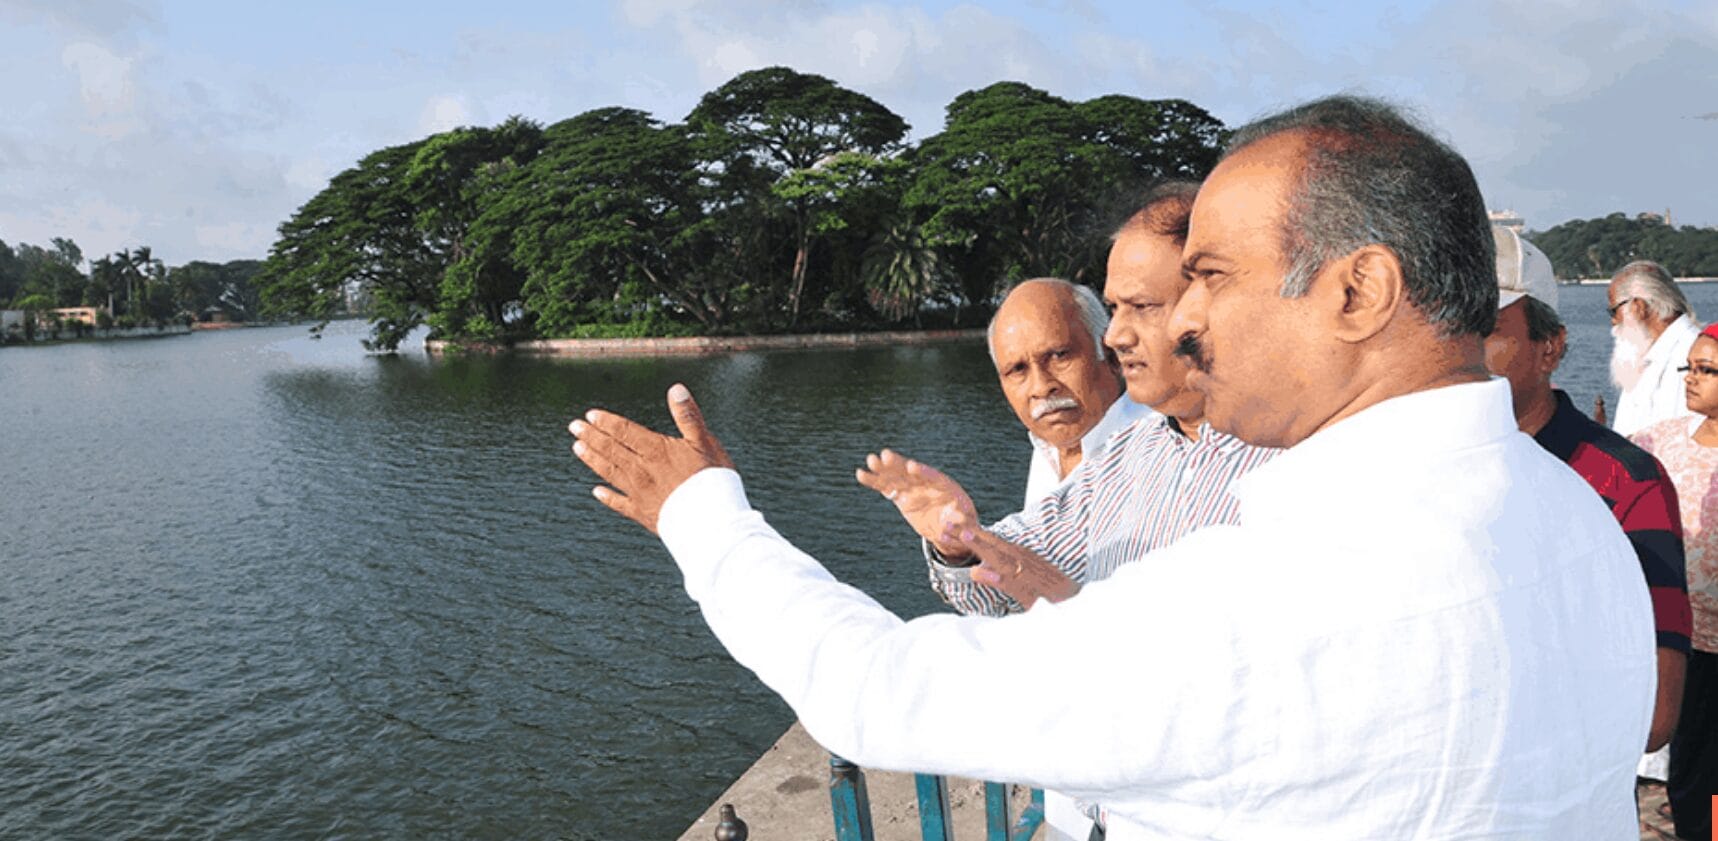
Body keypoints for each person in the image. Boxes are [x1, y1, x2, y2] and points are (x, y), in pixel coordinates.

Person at [569, 95, 1654, 837]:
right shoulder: (1575, 518)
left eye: (1211, 277)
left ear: (1355, 291)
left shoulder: (1279, 593)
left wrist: (702, 515)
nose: (1179, 325)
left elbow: (871, 692)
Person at [857, 182, 1277, 840]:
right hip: (1091, 805)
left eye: (1141, 306)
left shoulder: (1292, 458)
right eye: (1115, 309)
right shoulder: (1135, 452)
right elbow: (1013, 570)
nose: (1120, 336)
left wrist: (1073, 612)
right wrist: (961, 543)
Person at [1482, 224, 1689, 757]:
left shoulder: (1624, 482)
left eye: (1485, 326)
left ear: (1549, 347)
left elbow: (1655, 713)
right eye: (1444, 325)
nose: (1459, 349)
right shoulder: (1411, 467)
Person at [1632, 326, 1718, 841]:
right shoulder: (1658, 441)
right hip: (1688, 641)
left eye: (1707, 370)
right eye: (1690, 367)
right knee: (1692, 770)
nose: (1691, 379)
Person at [987, 278, 1148, 504]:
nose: (1042, 387)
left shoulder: (1163, 443)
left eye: (1059, 356)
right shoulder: (1048, 451)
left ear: (1111, 355)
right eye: (1018, 370)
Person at [1611, 260, 1700, 436]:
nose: (1613, 321)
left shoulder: (1695, 356)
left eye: (1613, 311)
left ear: (1638, 307)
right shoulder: (1644, 356)